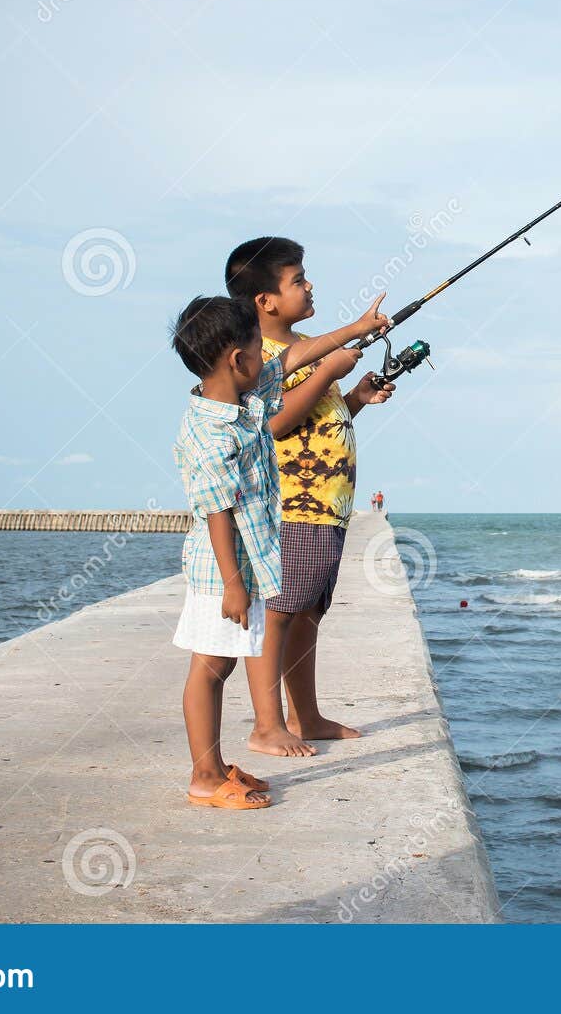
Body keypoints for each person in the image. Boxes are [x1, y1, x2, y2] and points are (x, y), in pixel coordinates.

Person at [169, 293, 389, 807]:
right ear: (238, 359)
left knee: (220, 665)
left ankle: (215, 766)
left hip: (241, 566)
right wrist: (233, 585)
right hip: (220, 571)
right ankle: (204, 777)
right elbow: (218, 511)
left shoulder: (241, 402)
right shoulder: (213, 432)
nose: (266, 357)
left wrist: (355, 328)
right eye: (256, 349)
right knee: (210, 669)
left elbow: (293, 357)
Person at [224, 237, 396, 757]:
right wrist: (327, 371)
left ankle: (306, 716)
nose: (309, 285)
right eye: (297, 280)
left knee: (307, 612)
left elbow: (314, 420)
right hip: (291, 506)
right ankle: (266, 725)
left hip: (328, 507)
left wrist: (355, 397)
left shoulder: (304, 346)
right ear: (265, 300)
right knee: (279, 612)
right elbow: (274, 425)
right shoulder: (258, 358)